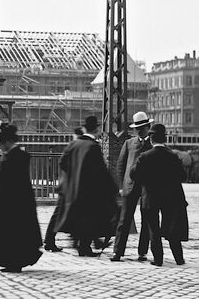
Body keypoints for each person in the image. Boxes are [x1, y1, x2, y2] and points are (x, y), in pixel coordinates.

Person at [53, 115, 118, 256]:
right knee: (91, 218)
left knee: (79, 219)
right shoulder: (93, 146)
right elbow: (100, 170)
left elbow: (62, 162)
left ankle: (83, 245)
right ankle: (85, 247)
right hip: (88, 190)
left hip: (73, 189)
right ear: (96, 129)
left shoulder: (73, 144)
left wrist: (73, 175)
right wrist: (112, 187)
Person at [131, 123, 188, 266]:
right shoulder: (173, 156)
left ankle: (158, 259)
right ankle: (179, 259)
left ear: (151, 139)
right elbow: (182, 176)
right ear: (165, 139)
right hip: (170, 197)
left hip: (150, 197)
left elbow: (134, 175)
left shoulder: (145, 157)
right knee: (172, 229)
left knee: (153, 229)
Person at [0, 121, 43, 272]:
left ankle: (15, 262)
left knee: (13, 233)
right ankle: (12, 261)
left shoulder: (17, 156)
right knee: (11, 233)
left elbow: (14, 183)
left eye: (1, 141)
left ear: (9, 141)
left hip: (14, 203)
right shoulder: (12, 155)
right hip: (11, 201)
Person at [110, 111, 152, 262]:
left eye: (142, 127)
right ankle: (117, 252)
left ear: (148, 127)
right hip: (130, 187)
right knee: (124, 220)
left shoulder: (153, 145)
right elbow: (120, 166)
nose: (139, 130)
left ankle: (142, 252)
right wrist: (121, 186)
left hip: (148, 188)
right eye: (137, 128)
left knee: (147, 220)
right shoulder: (128, 144)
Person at [44, 126, 83, 252]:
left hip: (68, 186)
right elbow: (63, 163)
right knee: (58, 214)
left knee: (68, 213)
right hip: (67, 187)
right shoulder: (74, 146)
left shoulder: (73, 146)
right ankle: (49, 240)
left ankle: (75, 240)